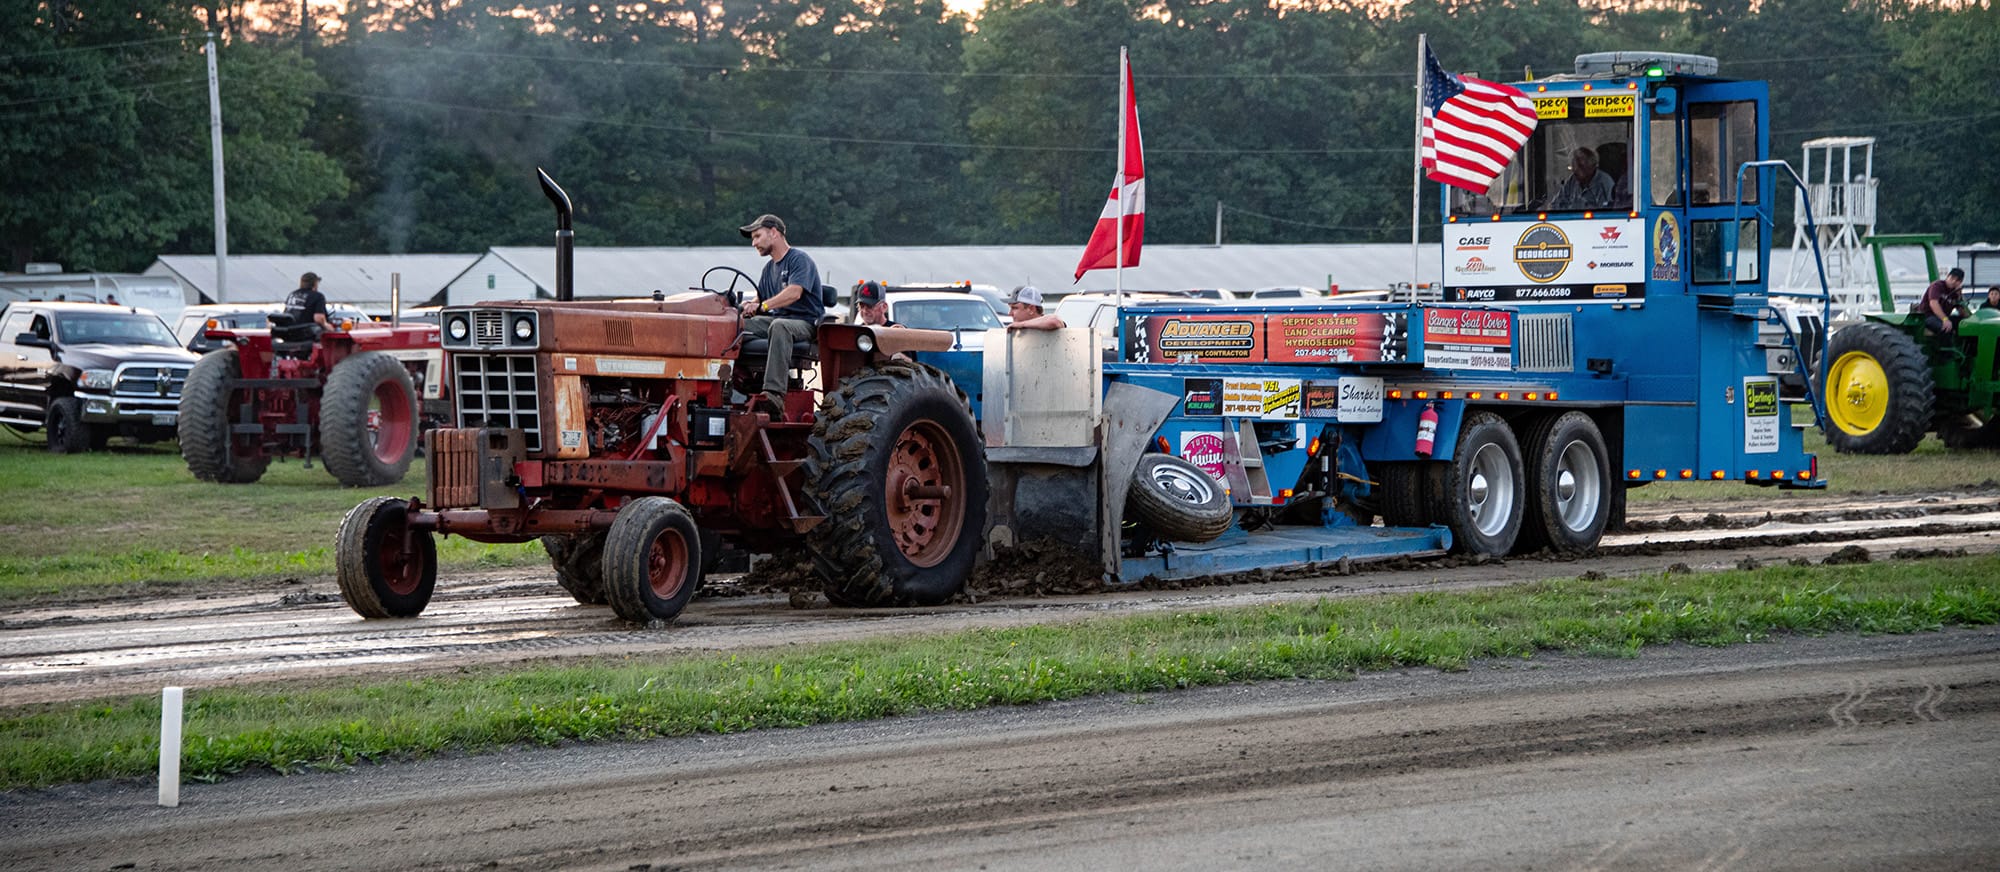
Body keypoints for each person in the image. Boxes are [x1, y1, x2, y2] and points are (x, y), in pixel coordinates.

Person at [736, 214, 822, 419]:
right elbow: (760, 298)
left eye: (757, 236)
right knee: (737, 326)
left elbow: (794, 293)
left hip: (805, 323)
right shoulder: (768, 269)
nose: (754, 243)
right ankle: (737, 383)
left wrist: (764, 306)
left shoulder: (799, 260)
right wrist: (749, 306)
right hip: (776, 320)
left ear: (774, 233)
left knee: (780, 326)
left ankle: (774, 394)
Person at [1550, 146, 1614, 210]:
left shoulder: (1605, 183)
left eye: (1581, 166)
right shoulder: (1572, 180)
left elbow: (1608, 211)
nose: (1576, 170)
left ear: (1592, 166)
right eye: (1574, 166)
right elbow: (1555, 204)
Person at [1916, 267, 1967, 335]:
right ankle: (1947, 345)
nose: (1954, 281)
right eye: (1952, 278)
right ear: (1948, 276)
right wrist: (1945, 319)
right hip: (1928, 316)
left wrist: (1959, 295)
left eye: (1958, 280)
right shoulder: (1937, 286)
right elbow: (1933, 303)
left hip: (1944, 317)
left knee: (1963, 324)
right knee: (1946, 328)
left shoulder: (1955, 292)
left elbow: (1961, 311)